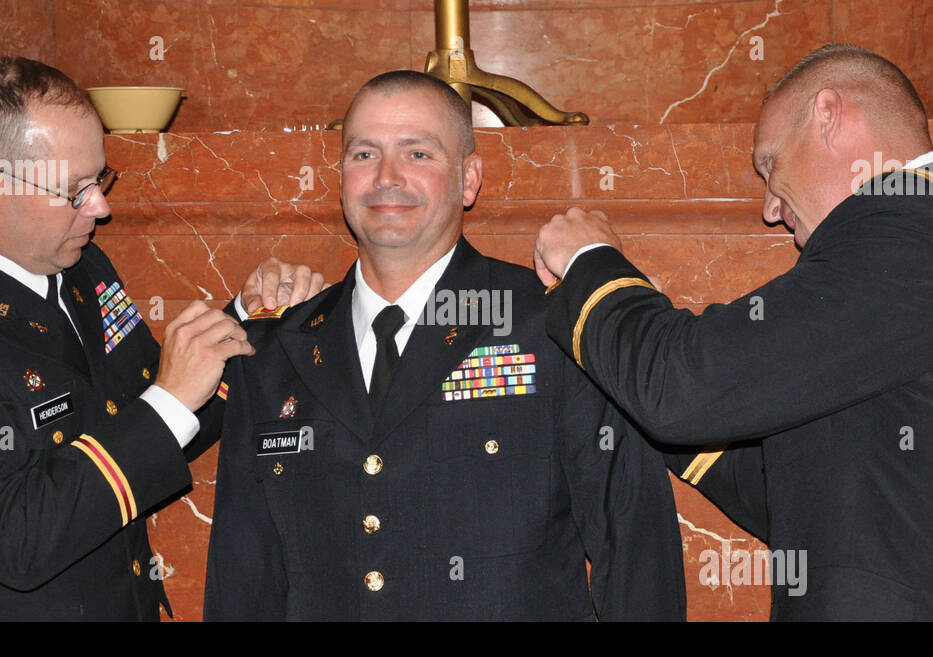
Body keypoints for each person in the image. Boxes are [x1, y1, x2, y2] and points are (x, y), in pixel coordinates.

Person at [533, 44, 933, 621]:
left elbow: (686, 386)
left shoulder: (919, 230)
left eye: (769, 165)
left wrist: (591, 262)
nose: (771, 208)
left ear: (829, 114)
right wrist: (634, 384)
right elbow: (807, 500)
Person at [0, 57, 320, 620]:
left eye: (101, 180)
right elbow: (18, 539)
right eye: (74, 191)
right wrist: (167, 401)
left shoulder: (84, 272)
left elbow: (159, 426)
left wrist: (250, 322)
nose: (101, 207)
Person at [203, 70, 686, 621]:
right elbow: (244, 573)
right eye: (364, 154)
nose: (387, 177)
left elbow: (633, 543)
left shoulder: (551, 325)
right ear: (340, 178)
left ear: (468, 177)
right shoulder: (276, 351)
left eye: (417, 154)